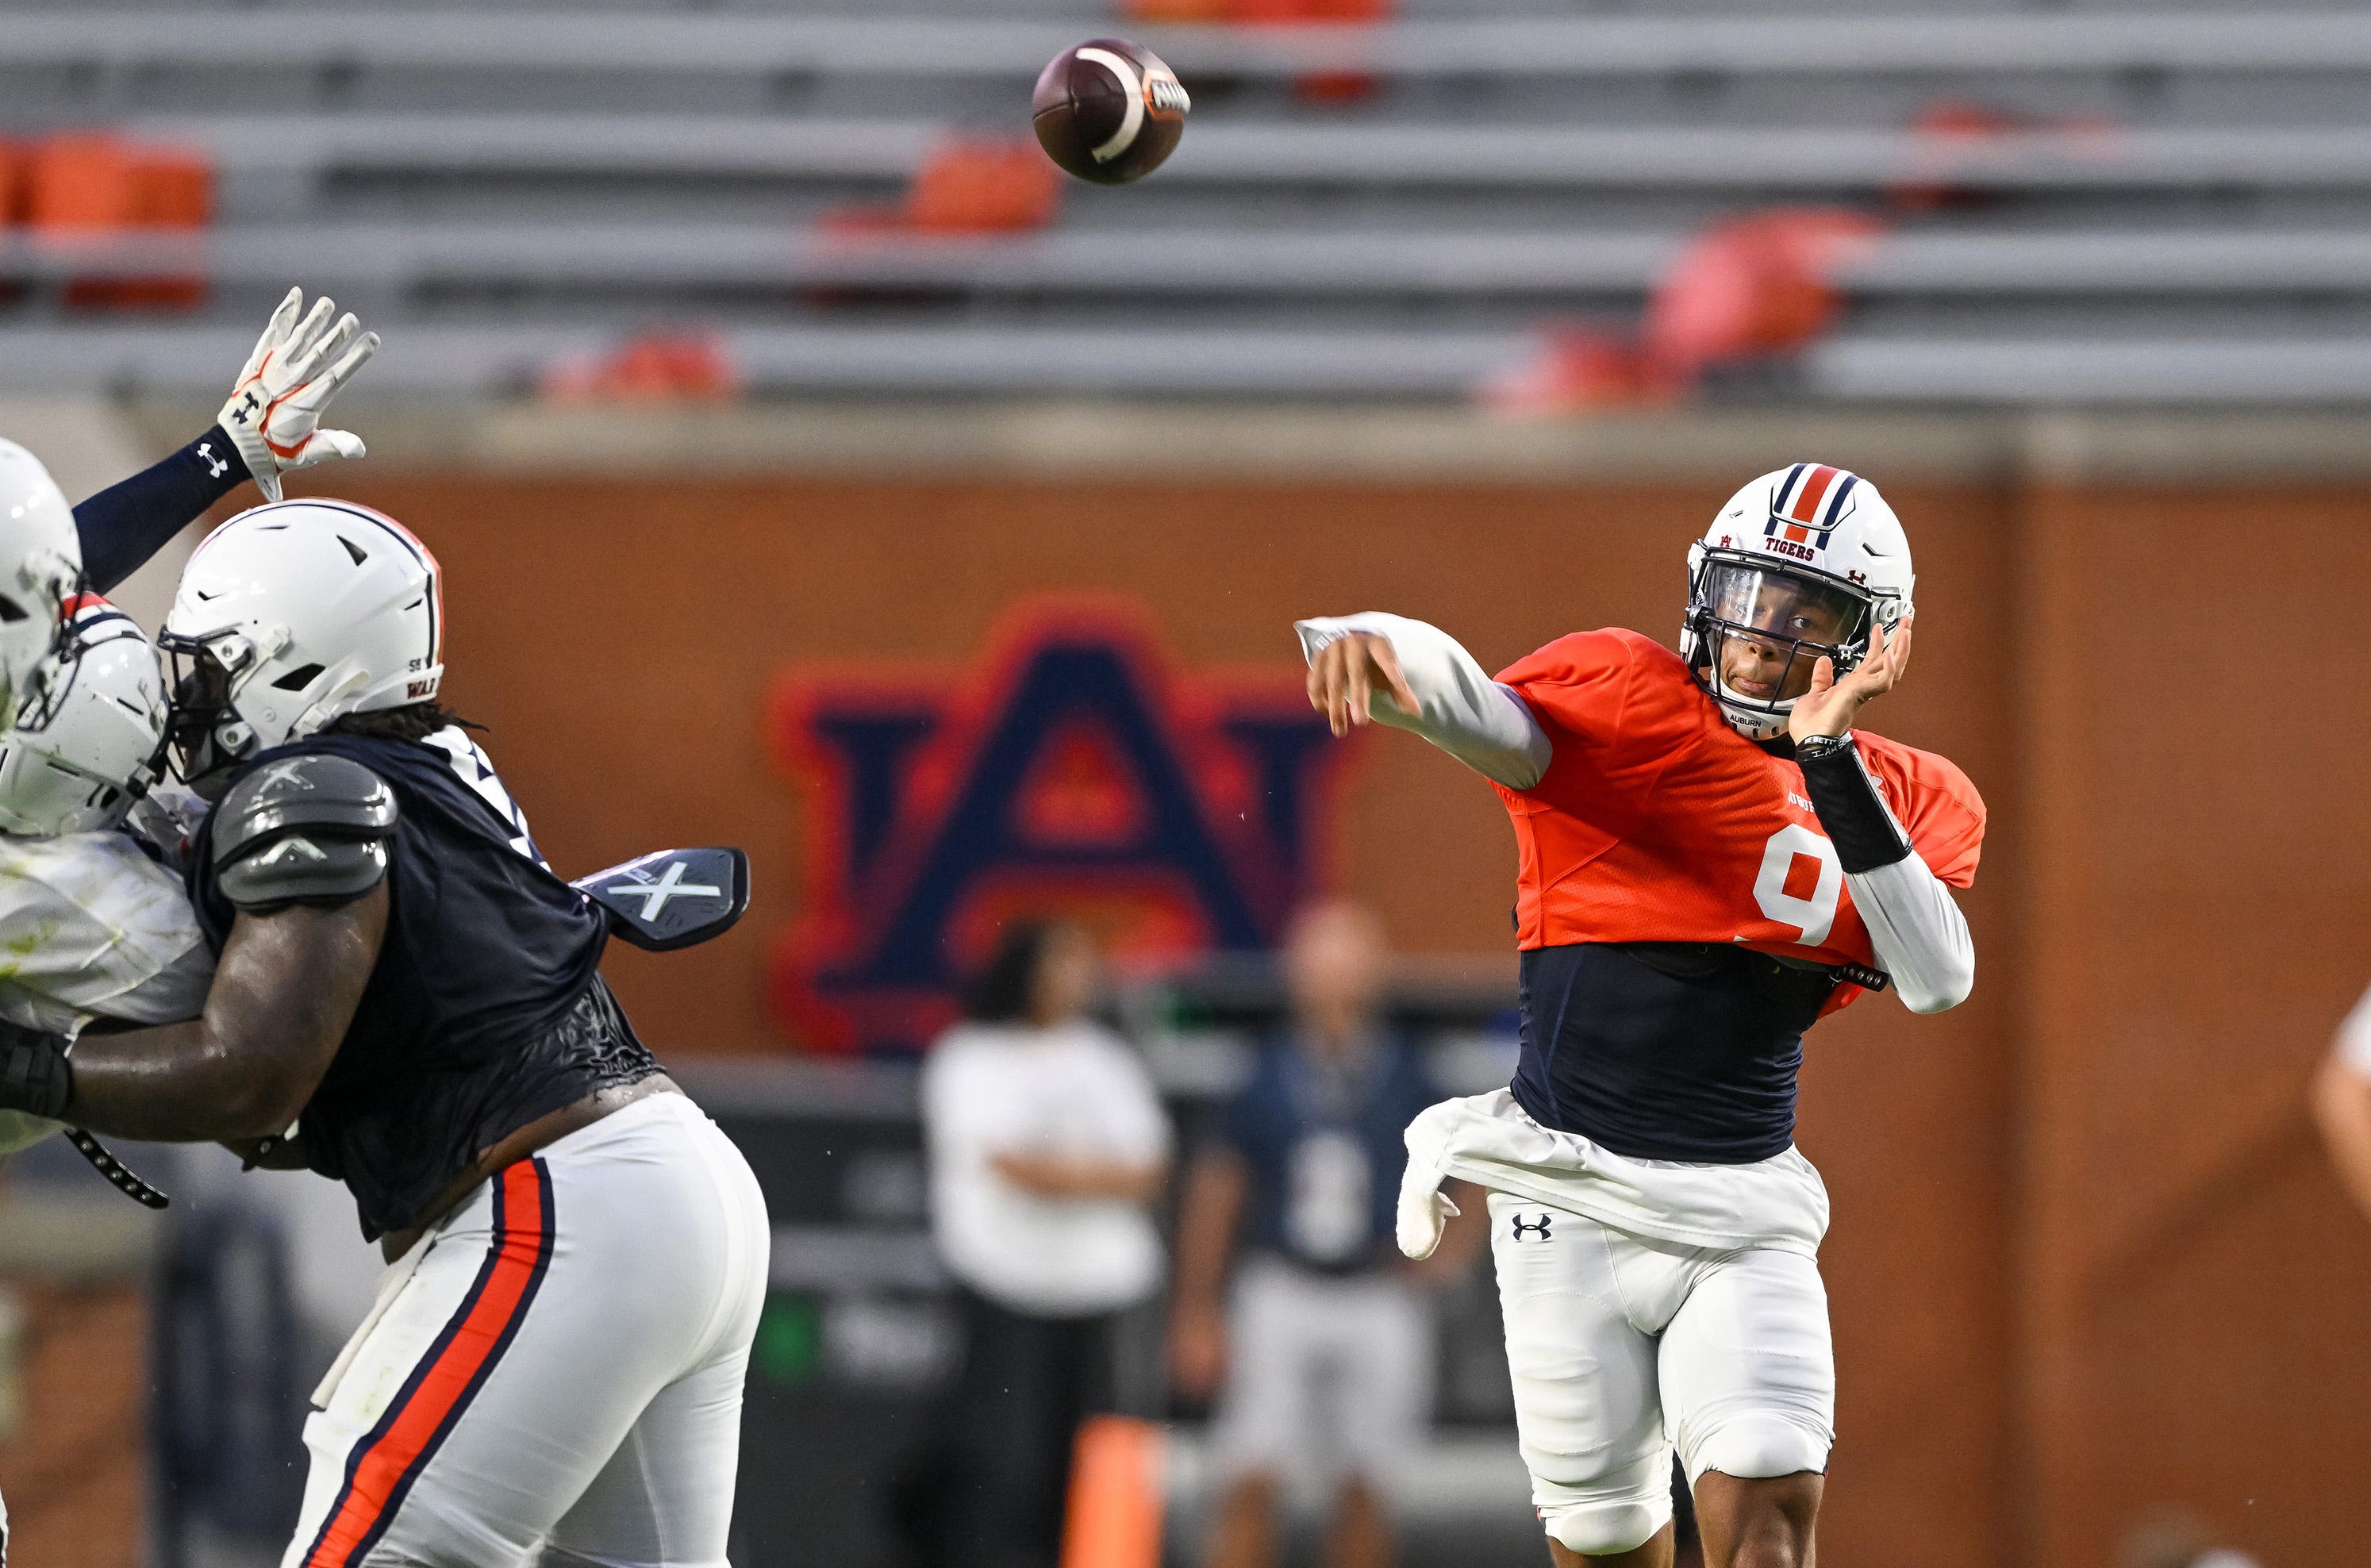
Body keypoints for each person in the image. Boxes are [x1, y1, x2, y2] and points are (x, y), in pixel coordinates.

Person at [0, 494, 770, 1568]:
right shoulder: (441, 764)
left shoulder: (310, 792)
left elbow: (247, 1074)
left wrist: (36, 1069)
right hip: (679, 1186)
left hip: (559, 1207)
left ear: (292, 665)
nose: (183, 699)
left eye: (206, 667)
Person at [1296, 463, 1985, 1568]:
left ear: (1874, 644)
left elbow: (1939, 975)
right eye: (1749, 598)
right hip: (1566, 1200)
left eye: (1804, 616)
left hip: (1744, 1215)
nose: (1760, 639)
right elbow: (1474, 708)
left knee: (1768, 1532)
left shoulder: (1908, 796)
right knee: (1607, 1549)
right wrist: (1376, 637)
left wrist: (1827, 759)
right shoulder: (1630, 703)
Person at [1168, 899, 1480, 1568]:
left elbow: (1475, 1169)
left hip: (1377, 1288)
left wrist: (1444, 1255)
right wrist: (1199, 1308)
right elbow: (1219, 1190)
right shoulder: (1264, 1073)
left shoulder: (1409, 1073)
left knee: (1369, 1483)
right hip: (1282, 1285)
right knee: (1251, 1471)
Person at [910, 919, 1173, 1568]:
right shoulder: (970, 1057)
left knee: (1092, 1459)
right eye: (1062, 962)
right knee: (1004, 1458)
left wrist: (1059, 1175)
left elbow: (1149, 1167)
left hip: (1101, 1290)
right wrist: (1095, 1176)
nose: (1078, 979)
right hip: (1004, 1283)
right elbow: (1009, 1166)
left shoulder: (1104, 1058)